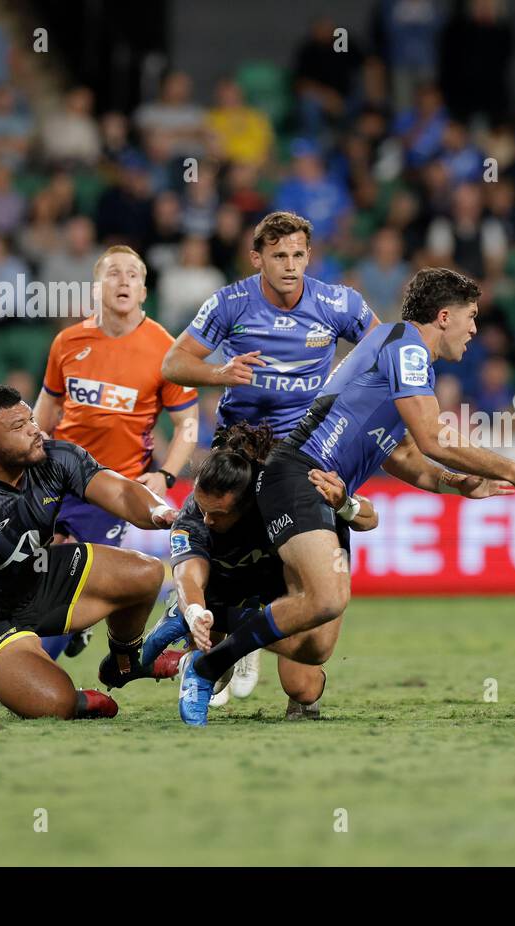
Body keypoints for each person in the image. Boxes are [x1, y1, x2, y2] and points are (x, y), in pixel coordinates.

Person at [176, 267, 515, 725]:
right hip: (298, 473)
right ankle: (206, 665)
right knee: (329, 596)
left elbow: (402, 453)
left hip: (329, 493)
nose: (475, 329)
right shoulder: (404, 345)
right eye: (471, 316)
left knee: (315, 647)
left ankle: (215, 615)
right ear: (443, 316)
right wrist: (513, 468)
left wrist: (451, 482)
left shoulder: (404, 360)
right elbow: (434, 436)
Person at [162, 210, 380, 705]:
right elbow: (173, 363)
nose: (290, 265)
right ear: (257, 257)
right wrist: (222, 373)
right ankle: (206, 623)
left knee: (309, 672)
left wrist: (350, 389)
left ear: (309, 256)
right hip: (240, 452)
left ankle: (249, 632)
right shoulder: (230, 303)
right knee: (220, 548)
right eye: (278, 255)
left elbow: (384, 351)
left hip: (306, 455)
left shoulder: (338, 303)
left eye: (298, 255)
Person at [0, 384, 180, 719]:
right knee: (56, 705)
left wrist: (158, 512)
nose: (35, 430)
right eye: (18, 427)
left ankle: (125, 662)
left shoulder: (55, 457)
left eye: (31, 419)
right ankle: (67, 695)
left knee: (146, 573)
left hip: (36, 577)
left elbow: (120, 491)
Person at [33, 245, 198, 659]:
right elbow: (49, 406)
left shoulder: (167, 350)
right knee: (37, 565)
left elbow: (186, 425)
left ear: (144, 291)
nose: (123, 280)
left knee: (70, 571)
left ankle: (40, 661)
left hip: (112, 485)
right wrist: (30, 456)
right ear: (95, 287)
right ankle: (67, 633)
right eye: (113, 273)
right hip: (55, 472)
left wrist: (166, 475)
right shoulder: (68, 342)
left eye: (132, 275)